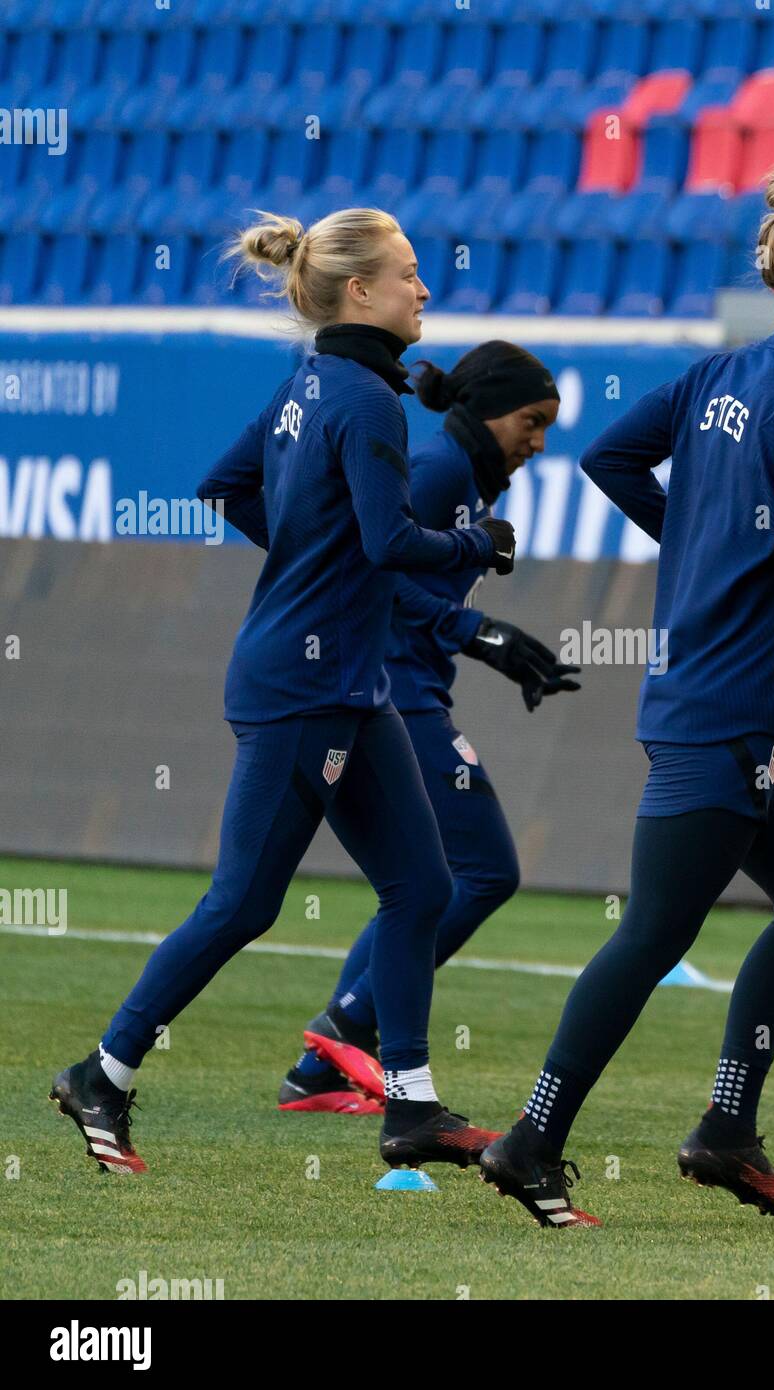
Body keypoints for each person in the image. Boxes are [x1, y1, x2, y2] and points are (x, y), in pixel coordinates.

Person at [478, 160, 774, 1229]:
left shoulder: (718, 375)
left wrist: (696, 541)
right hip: (726, 718)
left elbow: (609, 457)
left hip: (723, 709)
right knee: (650, 936)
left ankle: (727, 1127)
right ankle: (533, 1136)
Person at [49, 207, 515, 1176]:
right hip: (306, 687)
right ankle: (104, 1069)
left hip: (341, 677)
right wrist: (478, 544)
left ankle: (413, 1106)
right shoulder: (367, 399)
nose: (425, 291)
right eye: (410, 275)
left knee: (423, 884)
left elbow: (225, 484)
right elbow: (392, 543)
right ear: (361, 292)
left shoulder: (313, 383)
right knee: (243, 902)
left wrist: (312, 558)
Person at [279, 342, 581, 1114]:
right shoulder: (444, 471)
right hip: (395, 693)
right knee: (484, 872)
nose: (539, 441)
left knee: (410, 891)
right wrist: (480, 632)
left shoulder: (462, 477)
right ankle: (344, 1026)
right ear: (488, 412)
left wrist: (489, 644)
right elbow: (380, 571)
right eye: (531, 421)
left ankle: (320, 1071)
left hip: (408, 689)